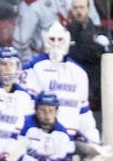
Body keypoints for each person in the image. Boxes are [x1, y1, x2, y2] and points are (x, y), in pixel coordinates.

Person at [24, 21, 99, 149]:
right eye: (52, 39)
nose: (56, 43)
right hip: (40, 141)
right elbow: (28, 108)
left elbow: (83, 112)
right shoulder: (33, 68)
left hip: (69, 143)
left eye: (60, 39)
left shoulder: (78, 72)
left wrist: (94, 142)